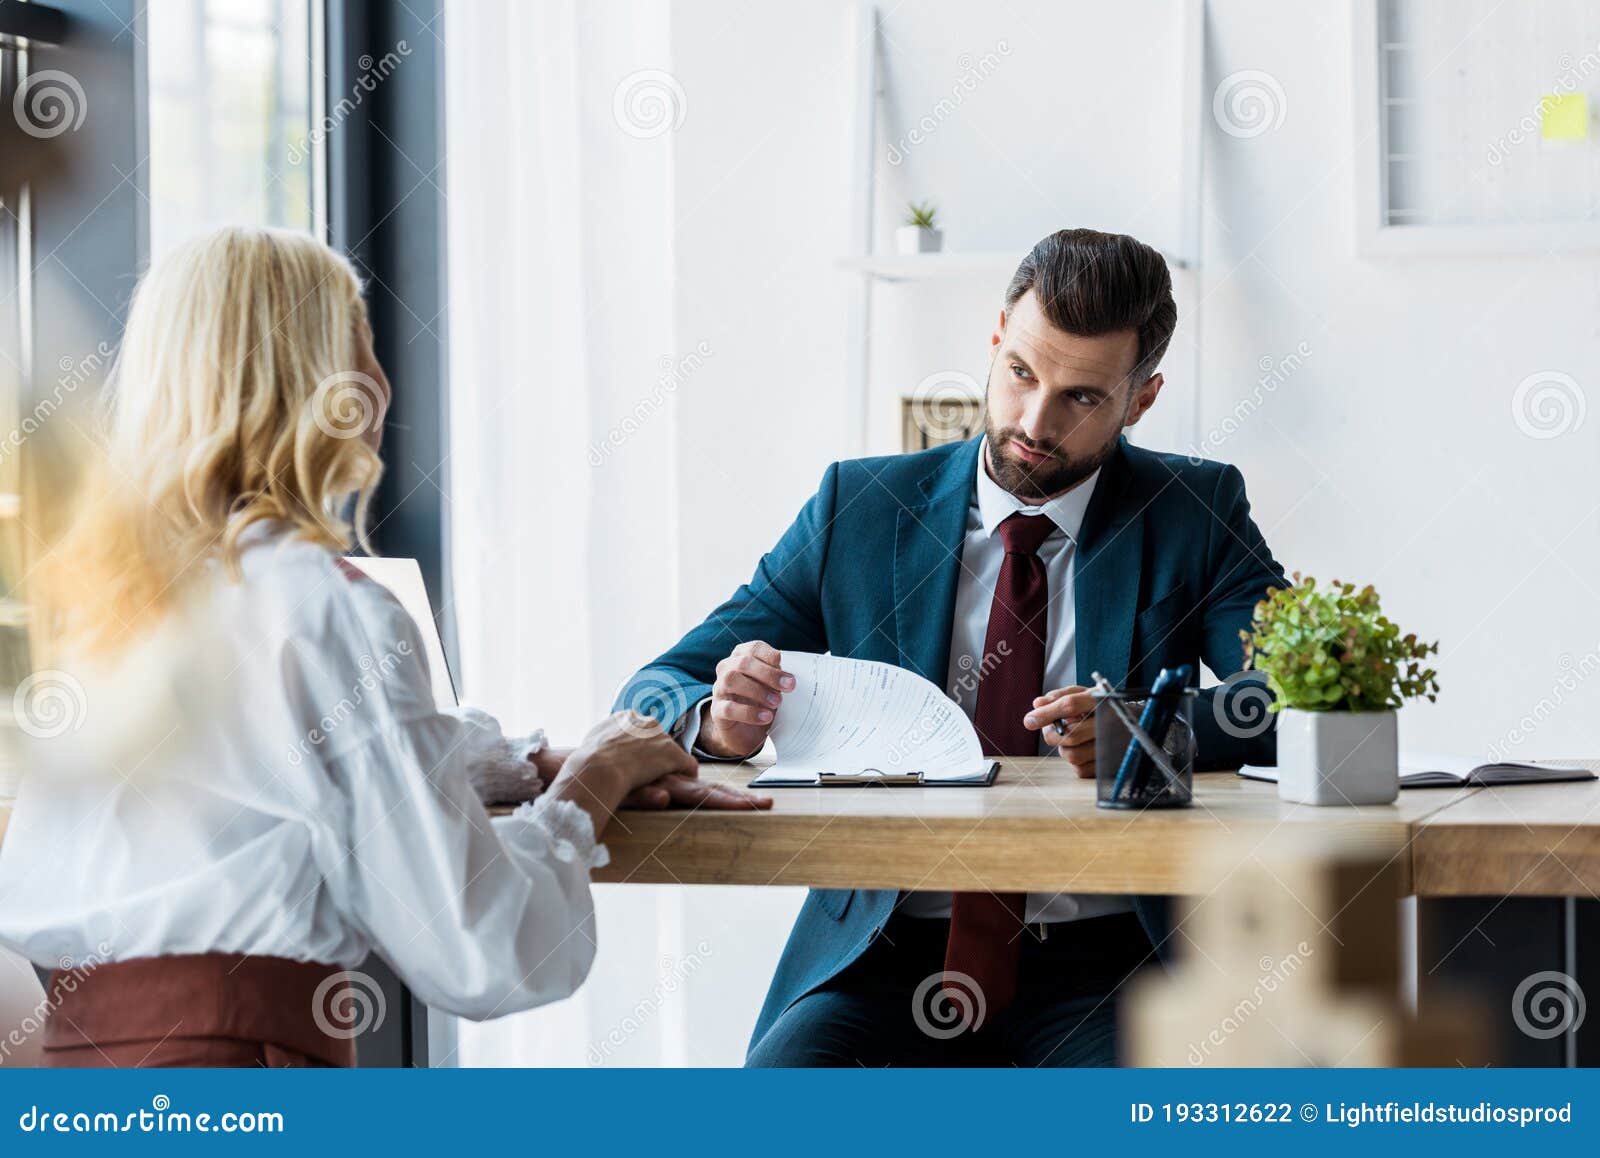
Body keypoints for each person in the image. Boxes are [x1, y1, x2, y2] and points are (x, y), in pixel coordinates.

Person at [0, 226, 769, 1068]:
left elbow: (284, 765)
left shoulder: (106, 599)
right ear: (325, 383)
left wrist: (533, 763)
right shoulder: (327, 606)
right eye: (359, 341)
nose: (382, 377)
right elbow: (480, 950)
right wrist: (594, 781)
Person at [615, 228, 1286, 1067]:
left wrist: (1148, 734)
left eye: (1080, 397)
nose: (1034, 423)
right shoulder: (859, 507)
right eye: (1022, 374)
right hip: (887, 951)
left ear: (1141, 400)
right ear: (997, 338)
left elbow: (1304, 701)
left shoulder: (1196, 510)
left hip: (1110, 962)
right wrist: (716, 722)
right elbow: (653, 690)